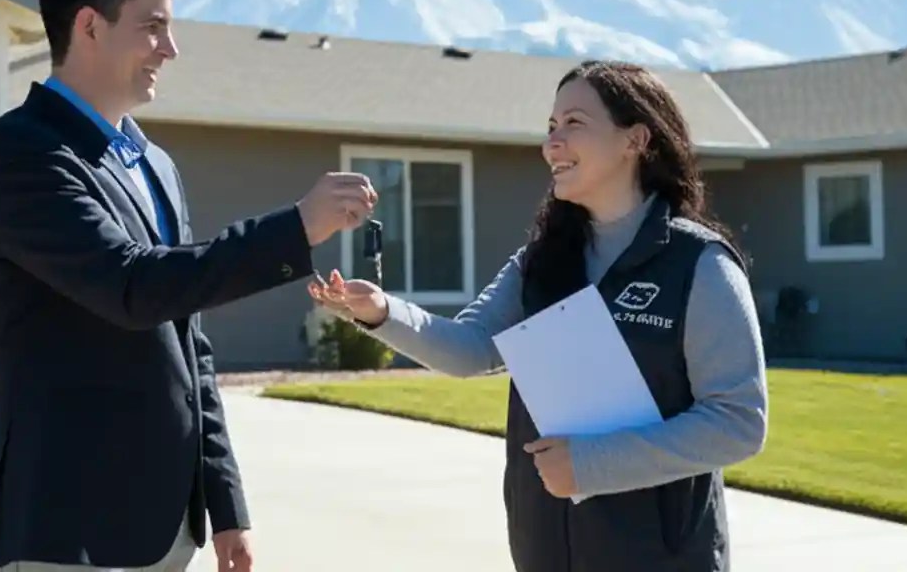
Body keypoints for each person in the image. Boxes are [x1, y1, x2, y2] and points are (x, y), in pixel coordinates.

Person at [0, 0, 376, 572]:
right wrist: (295, 229)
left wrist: (225, 505)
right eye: (152, 26)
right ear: (89, 26)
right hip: (65, 528)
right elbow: (130, 287)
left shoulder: (154, 163)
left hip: (166, 531)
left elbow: (190, 344)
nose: (171, 48)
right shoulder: (23, 152)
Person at [310, 60, 768, 572]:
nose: (552, 144)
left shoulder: (699, 264)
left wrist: (590, 465)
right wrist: (380, 311)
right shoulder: (543, 261)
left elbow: (738, 421)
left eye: (574, 124)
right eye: (550, 128)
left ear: (635, 140)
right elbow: (474, 347)